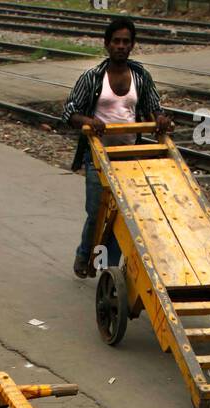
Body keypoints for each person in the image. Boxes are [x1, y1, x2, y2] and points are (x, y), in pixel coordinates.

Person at [62, 16, 173, 279]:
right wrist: (89, 121)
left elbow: (153, 106)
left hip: (129, 155)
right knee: (97, 210)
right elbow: (69, 112)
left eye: (126, 41)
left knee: (123, 211)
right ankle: (84, 253)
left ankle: (107, 267)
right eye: (116, 41)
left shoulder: (140, 76)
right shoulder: (92, 78)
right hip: (98, 156)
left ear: (132, 45)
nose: (121, 46)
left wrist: (159, 118)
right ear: (107, 45)